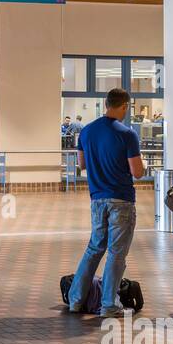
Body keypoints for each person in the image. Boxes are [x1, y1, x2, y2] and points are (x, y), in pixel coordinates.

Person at [67, 87, 145, 318]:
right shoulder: (127, 134)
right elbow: (137, 172)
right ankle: (109, 304)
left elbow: (82, 164)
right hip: (121, 199)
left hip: (97, 198)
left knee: (94, 247)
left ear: (106, 103)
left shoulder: (87, 132)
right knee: (116, 253)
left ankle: (76, 299)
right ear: (124, 106)